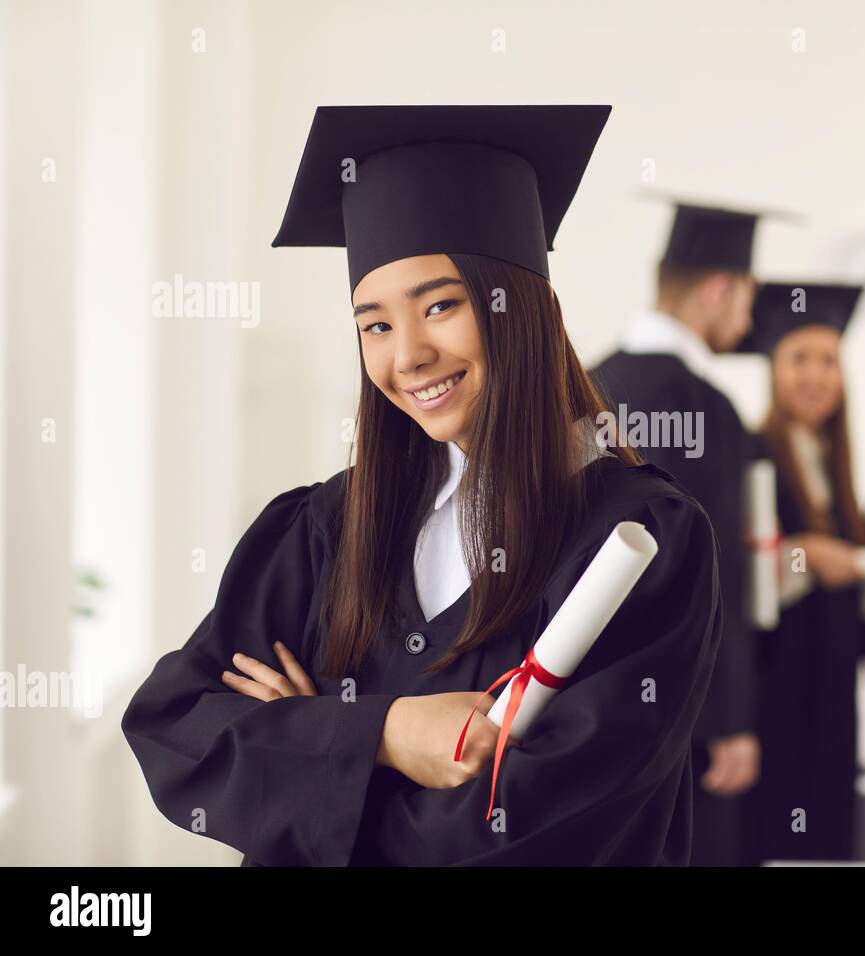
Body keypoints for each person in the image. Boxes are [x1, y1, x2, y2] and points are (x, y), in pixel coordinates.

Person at [121, 105, 724, 866]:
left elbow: (550, 829)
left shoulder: (640, 541)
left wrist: (310, 760)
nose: (407, 355)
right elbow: (174, 728)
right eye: (373, 324)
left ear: (520, 306)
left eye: (441, 305)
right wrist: (389, 735)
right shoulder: (326, 527)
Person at [590, 202, 764, 865]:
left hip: (583, 705)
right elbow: (719, 576)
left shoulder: (584, 383)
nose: (748, 320)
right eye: (747, 297)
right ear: (718, 289)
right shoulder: (708, 406)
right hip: (679, 715)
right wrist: (731, 720)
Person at [733, 281, 865, 861]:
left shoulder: (838, 471)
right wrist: (804, 555)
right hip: (773, 688)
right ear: (771, 368)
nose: (815, 376)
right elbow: (735, 572)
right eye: (799, 359)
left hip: (834, 691)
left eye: (828, 361)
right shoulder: (748, 452)